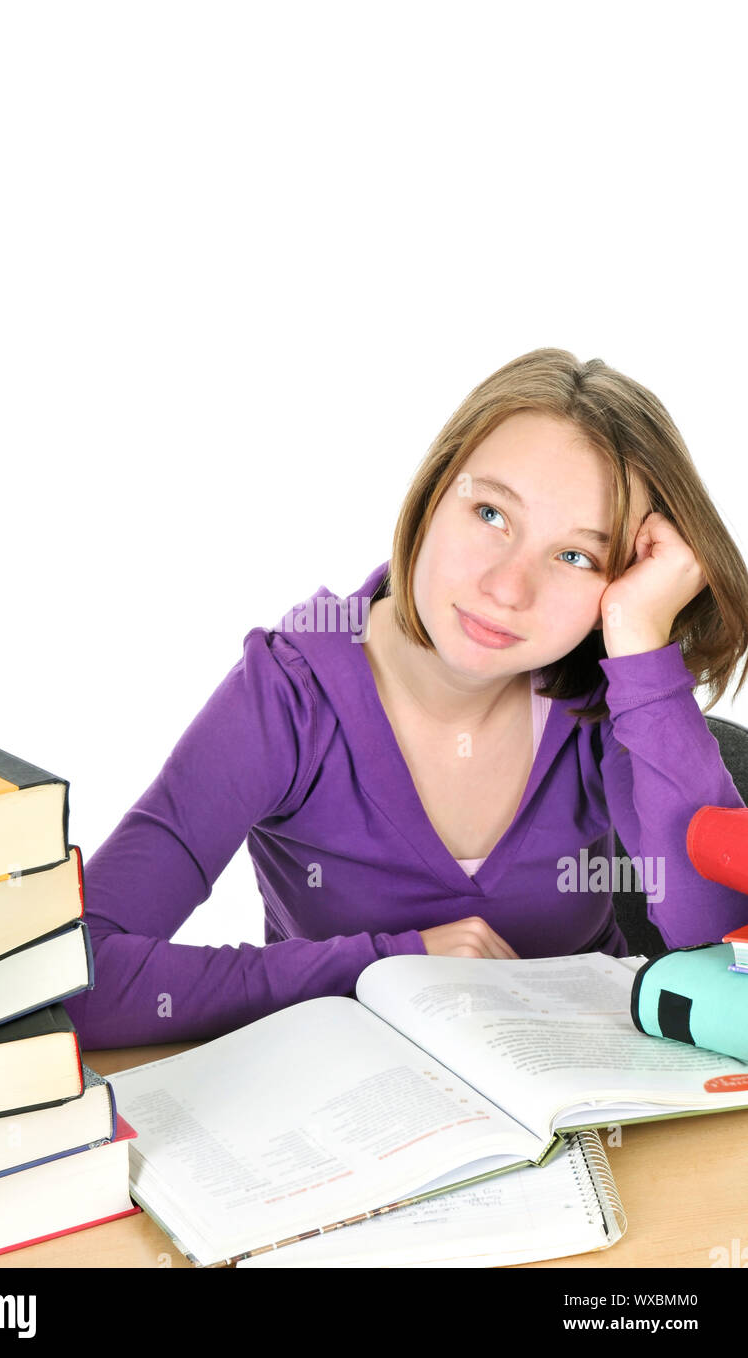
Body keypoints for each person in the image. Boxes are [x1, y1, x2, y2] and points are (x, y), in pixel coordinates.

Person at [66, 347, 748, 1051]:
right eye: (489, 512)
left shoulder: (606, 702)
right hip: (365, 1106)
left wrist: (640, 645)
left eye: (575, 556)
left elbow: (729, 960)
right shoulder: (288, 698)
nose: (507, 589)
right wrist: (385, 964)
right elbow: (76, 982)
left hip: (593, 1100)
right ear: (431, 492)